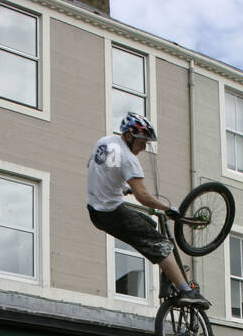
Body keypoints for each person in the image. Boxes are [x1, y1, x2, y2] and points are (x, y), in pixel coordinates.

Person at [87, 113, 209, 308]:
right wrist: (167, 208)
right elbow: (143, 197)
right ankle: (187, 292)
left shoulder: (105, 142)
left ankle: (167, 275)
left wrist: (120, 187)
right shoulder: (129, 160)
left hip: (95, 210)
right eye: (143, 141)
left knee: (149, 225)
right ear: (129, 135)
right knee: (160, 243)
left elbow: (96, 168)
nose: (144, 147)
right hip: (112, 213)